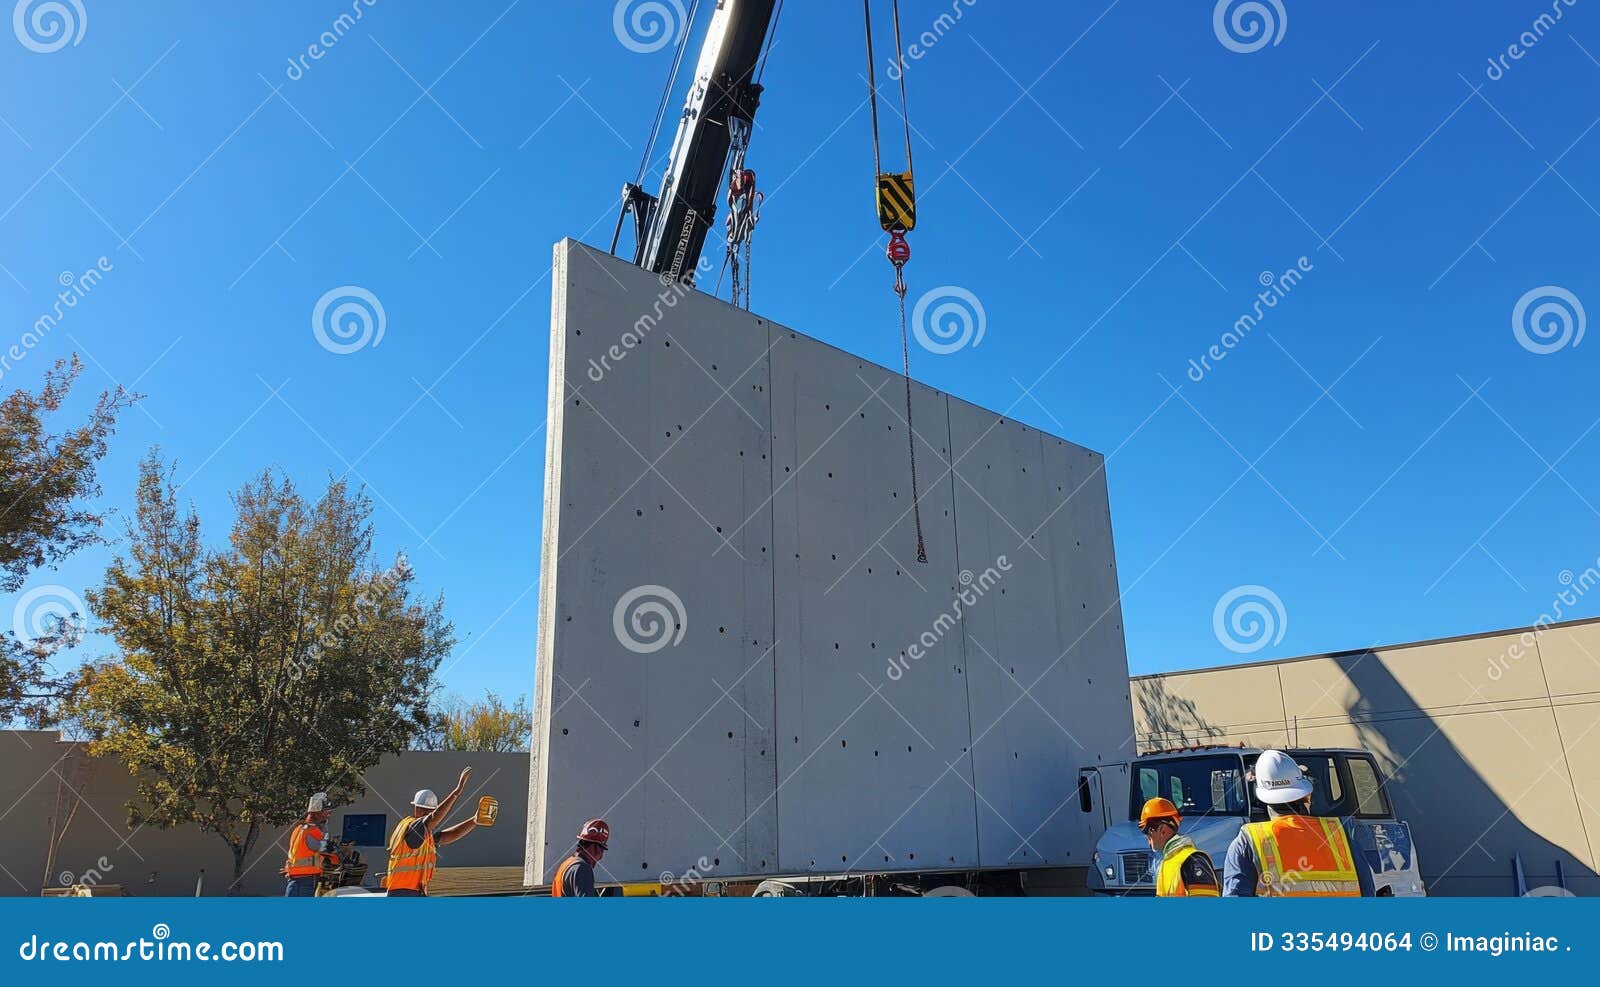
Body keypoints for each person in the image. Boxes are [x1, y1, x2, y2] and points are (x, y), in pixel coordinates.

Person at [1222, 749, 1375, 897]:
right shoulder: (1341, 837)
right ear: (1307, 796)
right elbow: (1368, 894)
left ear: (1262, 798)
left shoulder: (1248, 842)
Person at [385, 767, 479, 897]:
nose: (427, 814)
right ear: (417, 809)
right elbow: (433, 818)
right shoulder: (413, 827)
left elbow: (448, 835)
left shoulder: (423, 834)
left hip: (412, 891)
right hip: (403, 892)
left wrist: (474, 820)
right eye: (426, 811)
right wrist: (457, 792)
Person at [1140, 797, 1219, 897]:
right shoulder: (1165, 864)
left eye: (1149, 833)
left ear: (1162, 830)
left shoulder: (1193, 860)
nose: (1148, 840)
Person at [283, 791, 340, 897]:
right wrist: (337, 854)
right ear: (317, 812)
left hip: (297, 880)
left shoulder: (299, 829)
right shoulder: (312, 831)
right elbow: (324, 848)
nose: (328, 815)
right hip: (304, 882)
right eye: (326, 812)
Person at [551, 818, 609, 897]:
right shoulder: (582, 869)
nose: (601, 856)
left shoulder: (566, 864)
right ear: (596, 848)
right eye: (602, 849)